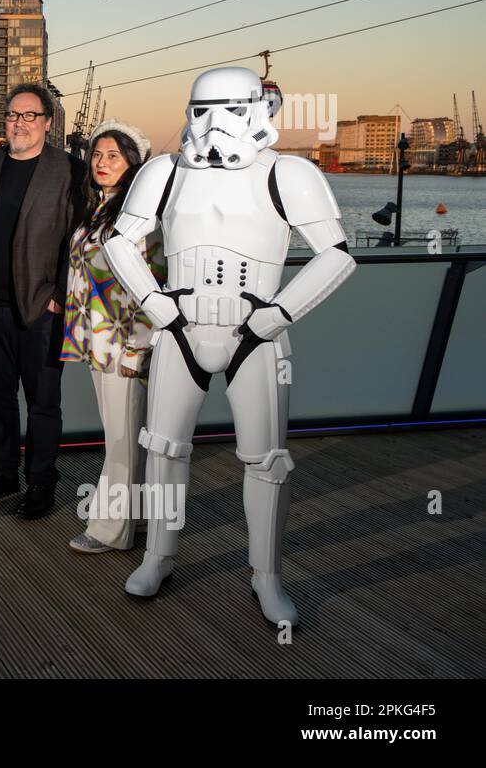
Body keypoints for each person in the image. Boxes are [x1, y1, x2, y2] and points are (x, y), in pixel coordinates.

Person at [102, 66, 356, 626]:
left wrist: (280, 314)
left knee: (266, 461)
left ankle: (266, 575)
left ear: (258, 108)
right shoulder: (164, 171)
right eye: (201, 110)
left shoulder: (289, 172)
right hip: (180, 329)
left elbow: (336, 253)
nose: (214, 125)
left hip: (255, 335)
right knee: (164, 449)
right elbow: (119, 240)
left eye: (230, 110)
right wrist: (155, 302)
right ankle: (157, 555)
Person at [0, 83, 84, 520]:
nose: (20, 123)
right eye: (14, 114)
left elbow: (78, 241)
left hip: (40, 311)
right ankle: (3, 473)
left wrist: (59, 297)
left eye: (30, 115)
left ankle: (42, 484)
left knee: (43, 403)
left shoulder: (70, 171)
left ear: (48, 123)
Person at [60, 120, 164, 553]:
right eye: (97, 156)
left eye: (113, 157)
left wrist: (139, 347)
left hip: (125, 344)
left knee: (121, 439)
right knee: (122, 435)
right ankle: (135, 521)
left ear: (134, 165)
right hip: (97, 339)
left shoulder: (142, 220)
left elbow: (153, 283)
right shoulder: (100, 209)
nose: (101, 163)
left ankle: (108, 530)